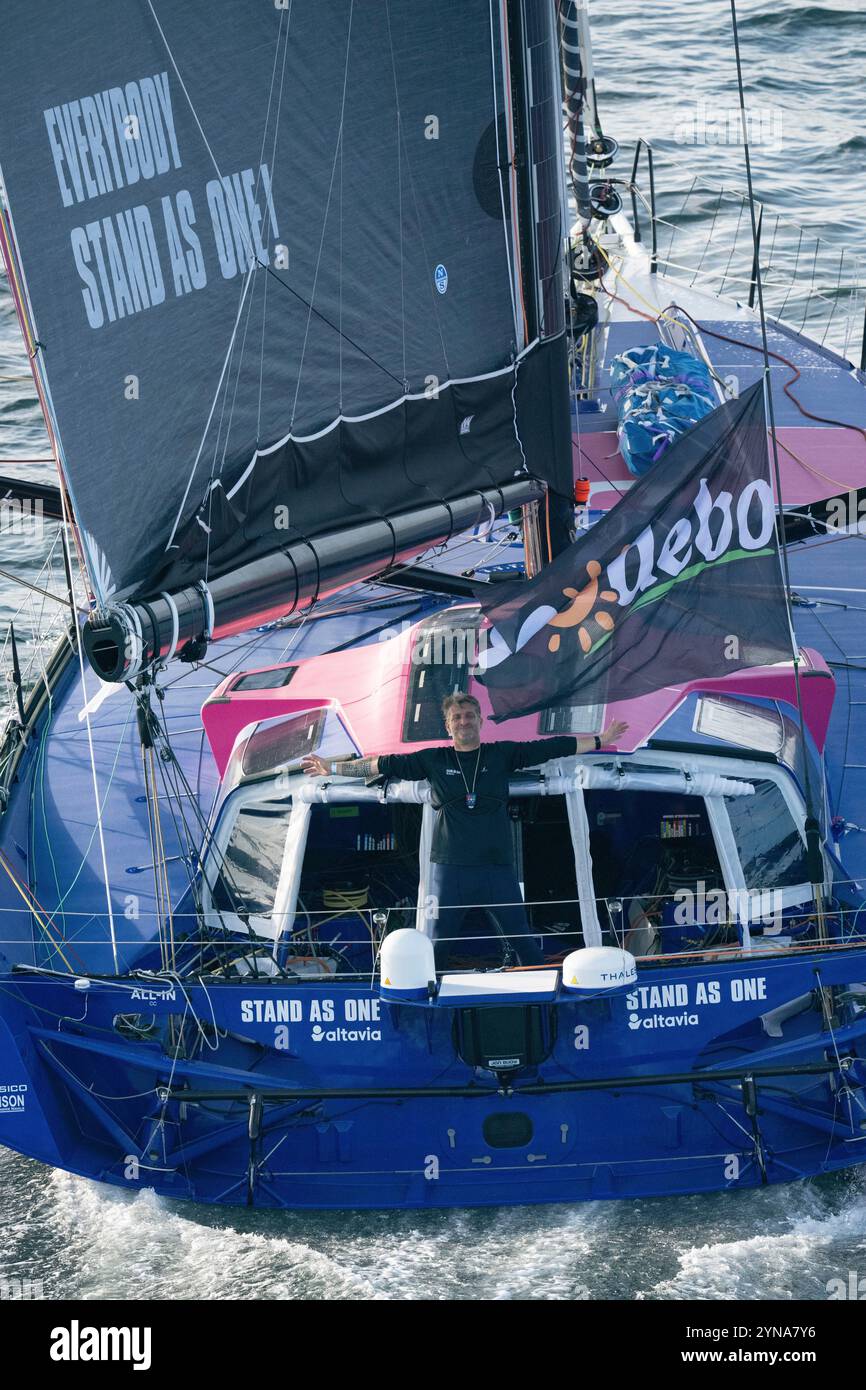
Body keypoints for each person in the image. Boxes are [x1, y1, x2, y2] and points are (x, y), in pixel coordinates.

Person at [302, 694, 628, 967]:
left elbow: (552, 747)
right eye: (457, 717)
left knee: (525, 945)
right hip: (450, 871)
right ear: (448, 726)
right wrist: (333, 768)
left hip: (498, 869)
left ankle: (546, 1005)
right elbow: (379, 765)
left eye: (470, 715)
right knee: (438, 949)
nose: (463, 721)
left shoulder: (501, 754)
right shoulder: (432, 759)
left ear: (480, 721)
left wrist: (601, 740)